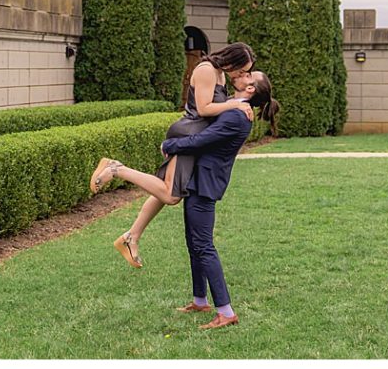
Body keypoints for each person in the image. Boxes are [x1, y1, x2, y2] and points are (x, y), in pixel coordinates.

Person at [91, 70, 279, 330]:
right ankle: (200, 300)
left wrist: (171, 146)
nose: (243, 74)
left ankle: (226, 312)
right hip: (199, 179)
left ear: (250, 89)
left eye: (249, 75)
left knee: (203, 246)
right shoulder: (235, 108)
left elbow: (204, 140)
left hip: (205, 183)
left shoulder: (238, 116)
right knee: (194, 243)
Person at [111, 43, 257, 268]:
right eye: (242, 69)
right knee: (171, 195)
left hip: (197, 137)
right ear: (231, 61)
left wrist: (236, 105)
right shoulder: (207, 70)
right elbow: (204, 109)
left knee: (166, 188)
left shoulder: (220, 75)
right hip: (188, 133)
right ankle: (116, 169)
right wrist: (235, 104)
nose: (242, 75)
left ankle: (131, 237)